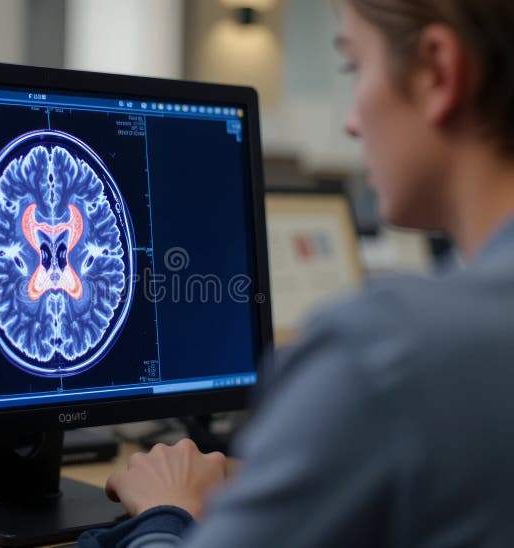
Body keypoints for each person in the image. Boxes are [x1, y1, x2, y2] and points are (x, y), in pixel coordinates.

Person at [79, 0, 514, 546]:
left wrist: (168, 512)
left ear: (436, 70)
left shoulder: (384, 357)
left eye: (354, 66)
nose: (351, 122)